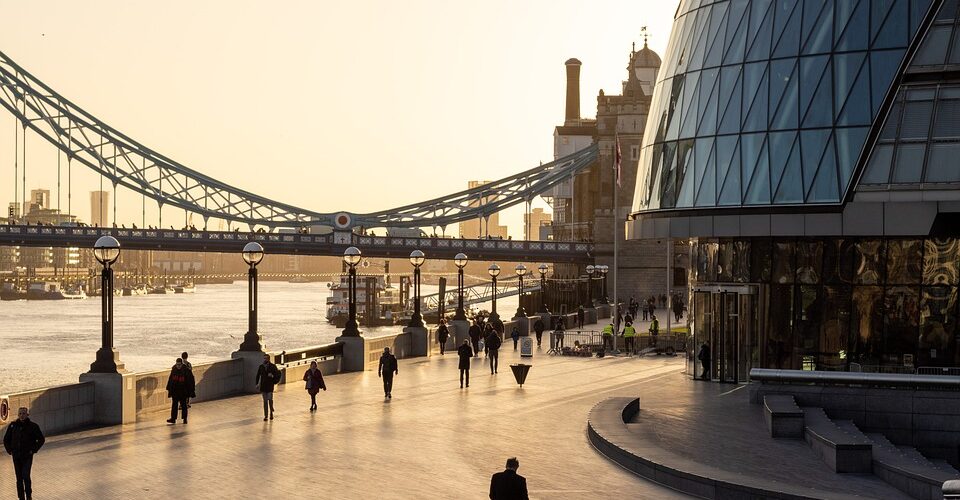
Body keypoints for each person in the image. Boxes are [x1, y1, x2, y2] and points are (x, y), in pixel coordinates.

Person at [3, 407, 44, 500]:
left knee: (26, 476)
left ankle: (28, 496)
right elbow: (6, 439)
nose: (22, 415)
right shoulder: (13, 426)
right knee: (19, 478)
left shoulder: (33, 426)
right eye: (20, 413)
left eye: (24, 413)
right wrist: (10, 450)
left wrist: (33, 450)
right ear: (18, 415)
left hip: (27, 456)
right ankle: (21, 497)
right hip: (16, 456)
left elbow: (41, 439)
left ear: (27, 415)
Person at [165, 357, 196, 424]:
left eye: (179, 365)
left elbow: (191, 380)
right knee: (174, 405)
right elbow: (170, 379)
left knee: (184, 405)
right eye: (177, 365)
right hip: (175, 390)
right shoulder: (174, 369)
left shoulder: (186, 370)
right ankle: (173, 419)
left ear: (182, 364)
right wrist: (169, 388)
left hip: (183, 391)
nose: (178, 366)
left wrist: (191, 390)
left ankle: (185, 419)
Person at [255, 353, 281, 421]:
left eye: (266, 358)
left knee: (270, 399)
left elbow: (278, 374)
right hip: (263, 386)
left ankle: (271, 411)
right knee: (265, 401)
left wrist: (272, 376)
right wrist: (257, 384)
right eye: (264, 358)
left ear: (269, 359)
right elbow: (258, 375)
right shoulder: (261, 367)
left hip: (270, 385)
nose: (265, 359)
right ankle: (266, 416)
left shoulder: (273, 366)